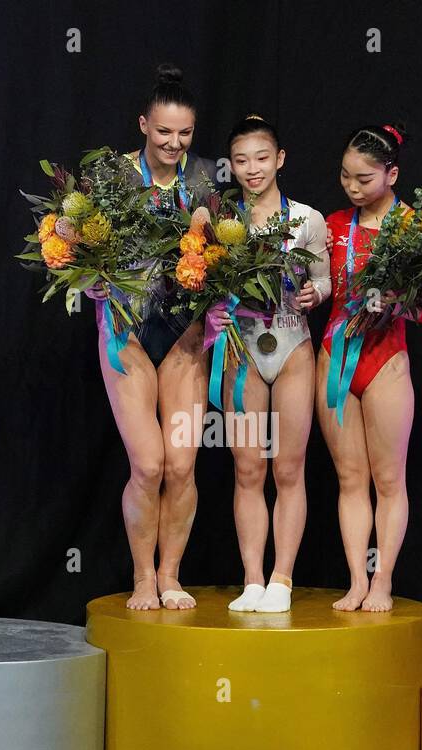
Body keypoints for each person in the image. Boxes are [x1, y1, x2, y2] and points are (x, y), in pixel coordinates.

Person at [87, 64, 218, 610]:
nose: (174, 143)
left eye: (184, 133)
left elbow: (223, 254)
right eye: (163, 132)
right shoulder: (113, 176)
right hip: (128, 331)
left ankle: (170, 574)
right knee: (148, 464)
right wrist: (89, 273)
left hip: (185, 334)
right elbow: (80, 242)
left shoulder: (207, 177)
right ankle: (142, 576)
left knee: (183, 465)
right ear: (143, 124)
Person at [315, 122, 422, 612]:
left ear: (392, 174)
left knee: (389, 479)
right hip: (334, 357)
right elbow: (321, 289)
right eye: (346, 176)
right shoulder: (332, 226)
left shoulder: (416, 229)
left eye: (364, 179)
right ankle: (355, 580)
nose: (352, 187)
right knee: (350, 478)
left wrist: (395, 303)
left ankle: (383, 580)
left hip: (386, 360)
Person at [203, 115, 329, 613]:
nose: (251, 169)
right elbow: (200, 281)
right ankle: (252, 579)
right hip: (242, 348)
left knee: (290, 469)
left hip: (294, 345)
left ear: (279, 159)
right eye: (240, 160)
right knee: (248, 468)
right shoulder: (219, 219)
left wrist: (313, 292)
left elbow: (325, 280)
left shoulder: (307, 219)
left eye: (261, 158)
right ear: (230, 166)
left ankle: (283, 579)